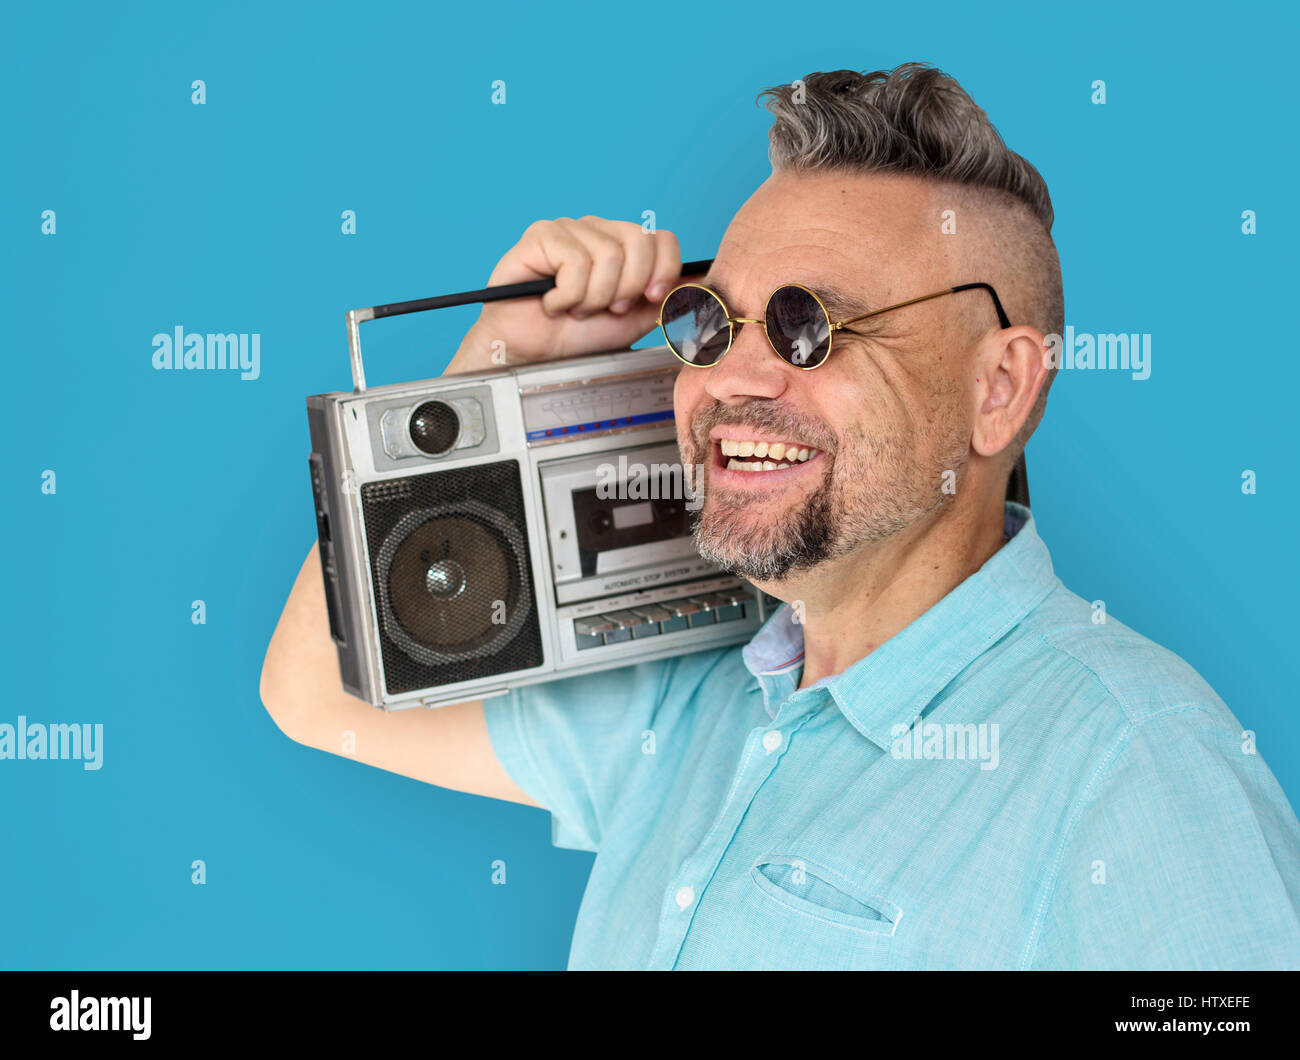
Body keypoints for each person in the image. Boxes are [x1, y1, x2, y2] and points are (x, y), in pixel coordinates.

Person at [260, 63, 1300, 970]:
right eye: (710, 322)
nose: (729, 378)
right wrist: (501, 354)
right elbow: (321, 690)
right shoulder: (691, 704)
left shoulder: (1136, 765)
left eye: (812, 327)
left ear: (999, 389)